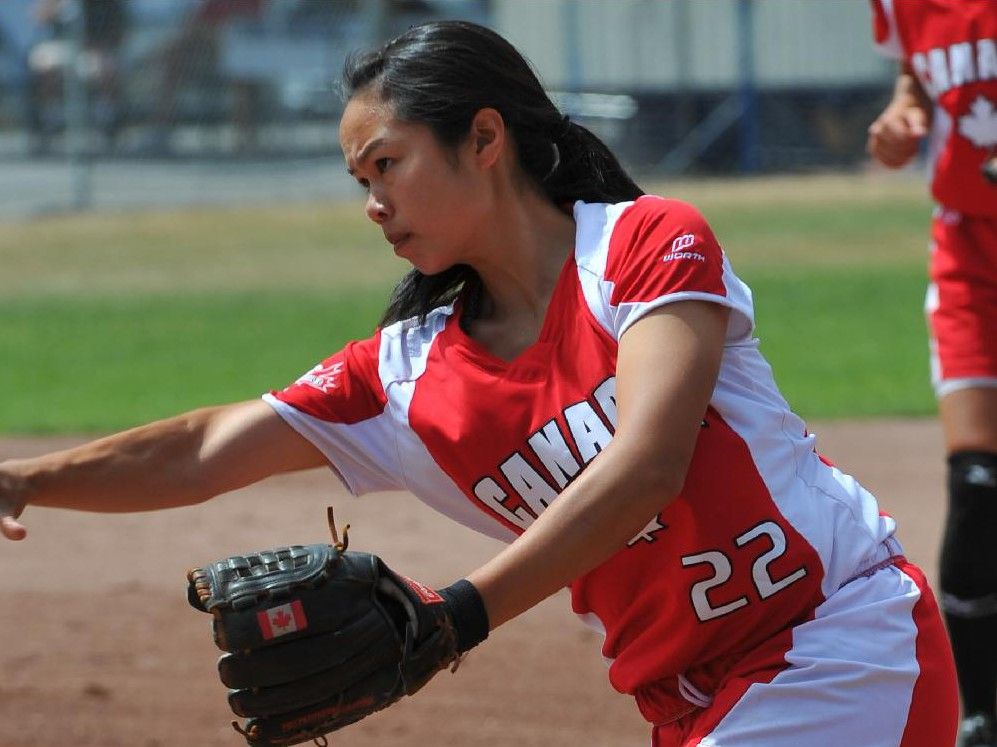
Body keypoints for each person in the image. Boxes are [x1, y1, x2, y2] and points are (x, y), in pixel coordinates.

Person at [1, 20, 959, 746]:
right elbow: (203, 449)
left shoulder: (640, 244)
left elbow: (646, 469)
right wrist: (29, 478)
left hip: (838, 644)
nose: (373, 204)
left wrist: (455, 614)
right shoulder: (409, 373)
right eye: (358, 181)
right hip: (698, 702)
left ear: (484, 138)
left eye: (389, 164)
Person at [867, 3, 997, 745]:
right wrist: (900, 116)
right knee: (978, 488)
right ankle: (980, 713)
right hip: (969, 258)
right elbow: (917, 77)